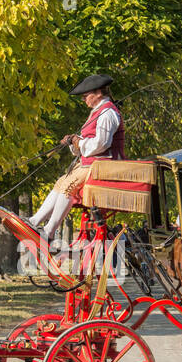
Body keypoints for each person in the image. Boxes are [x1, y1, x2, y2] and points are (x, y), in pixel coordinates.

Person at [29, 73, 125, 245]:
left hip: (104, 165)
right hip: (92, 163)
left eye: (85, 95)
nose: (84, 99)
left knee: (69, 186)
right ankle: (34, 222)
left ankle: (49, 231)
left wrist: (79, 141)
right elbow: (86, 144)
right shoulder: (98, 112)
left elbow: (101, 144)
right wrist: (74, 141)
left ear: (97, 93)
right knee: (61, 182)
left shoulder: (108, 113)